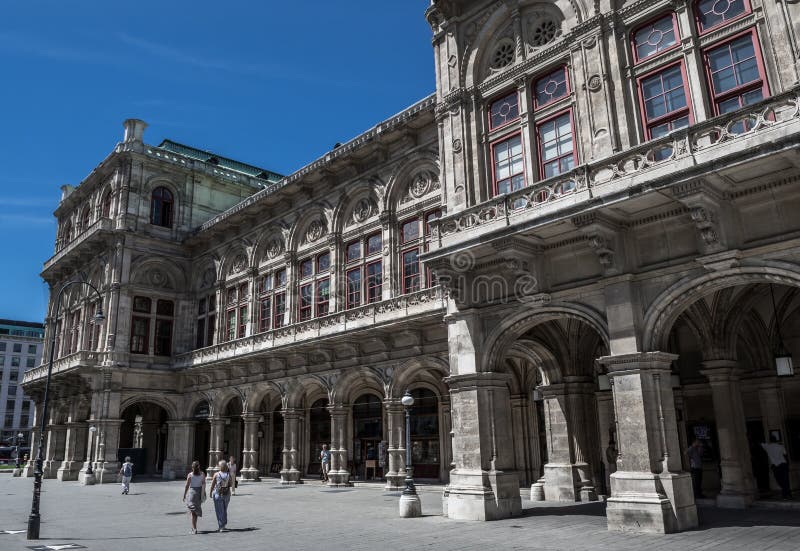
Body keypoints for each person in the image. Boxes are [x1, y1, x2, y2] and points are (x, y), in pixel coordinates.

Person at [762, 434, 792, 500]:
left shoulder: (767, 446)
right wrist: (788, 465)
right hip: (783, 464)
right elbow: (785, 455)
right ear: (776, 440)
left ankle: (786, 494)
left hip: (775, 466)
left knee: (779, 480)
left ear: (770, 440)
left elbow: (761, 443)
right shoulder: (780, 446)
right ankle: (788, 494)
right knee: (785, 480)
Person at [183, 461, 206, 534]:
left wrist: (184, 494)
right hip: (199, 493)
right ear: (199, 467)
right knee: (195, 512)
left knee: (193, 512)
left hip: (192, 494)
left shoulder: (190, 475)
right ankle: (193, 527)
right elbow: (203, 484)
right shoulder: (202, 474)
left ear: (192, 467)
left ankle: (194, 528)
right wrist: (203, 494)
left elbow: (187, 486)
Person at [209, 460, 233, 532]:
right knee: (224, 510)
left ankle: (221, 526)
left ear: (220, 466)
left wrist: (210, 492)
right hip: (227, 494)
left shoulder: (216, 474)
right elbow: (231, 484)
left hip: (218, 494)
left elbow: (212, 485)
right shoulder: (228, 474)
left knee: (219, 510)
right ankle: (224, 525)